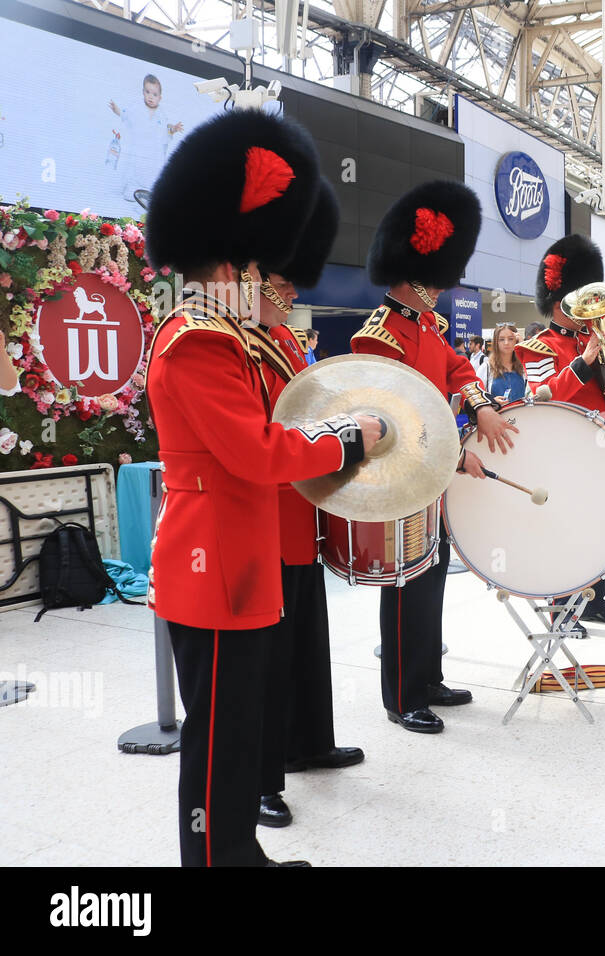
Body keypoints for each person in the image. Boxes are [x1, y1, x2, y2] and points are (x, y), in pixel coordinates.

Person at [143, 108, 383, 866]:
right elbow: (256, 452)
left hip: (244, 565)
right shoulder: (197, 343)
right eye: (259, 268)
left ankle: (239, 854)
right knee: (216, 746)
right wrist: (346, 438)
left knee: (240, 733)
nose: (267, 280)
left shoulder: (235, 339)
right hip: (214, 569)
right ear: (233, 265)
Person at [351, 180, 517, 734]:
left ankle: (428, 676)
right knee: (403, 586)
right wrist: (451, 458)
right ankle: (401, 694)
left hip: (433, 479)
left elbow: (458, 371)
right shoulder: (378, 338)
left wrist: (483, 408)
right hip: (403, 478)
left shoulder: (427, 326)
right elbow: (398, 423)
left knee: (433, 576)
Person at [241, 181, 365, 830]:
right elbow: (265, 440)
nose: (291, 298)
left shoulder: (284, 344)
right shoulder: (242, 346)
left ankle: (309, 742)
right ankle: (263, 778)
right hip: (265, 517)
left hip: (300, 515)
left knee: (306, 643)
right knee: (265, 662)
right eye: (282, 287)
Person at [515, 233, 605, 625]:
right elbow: (540, 396)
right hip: (563, 452)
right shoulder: (537, 347)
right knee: (565, 531)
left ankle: (594, 599)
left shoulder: (600, 339)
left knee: (600, 527)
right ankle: (561, 612)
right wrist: (583, 363)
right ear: (558, 303)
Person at [109, 74, 183, 207]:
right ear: (143, 92)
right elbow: (127, 115)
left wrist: (174, 129)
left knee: (153, 171)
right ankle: (132, 189)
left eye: (154, 94)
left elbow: (167, 129)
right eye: (147, 92)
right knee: (135, 168)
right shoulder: (137, 107)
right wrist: (117, 110)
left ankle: (150, 193)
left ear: (160, 97)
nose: (150, 96)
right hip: (139, 147)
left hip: (154, 151)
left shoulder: (161, 113)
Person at [487, 324, 526, 401]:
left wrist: (523, 347)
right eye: (501, 339)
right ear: (496, 342)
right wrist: (492, 402)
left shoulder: (524, 367)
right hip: (496, 412)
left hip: (521, 412)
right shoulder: (486, 368)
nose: (506, 343)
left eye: (511, 339)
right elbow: (478, 399)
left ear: (516, 341)